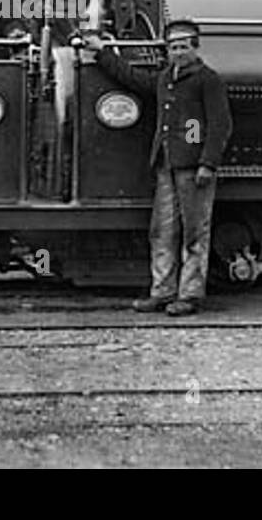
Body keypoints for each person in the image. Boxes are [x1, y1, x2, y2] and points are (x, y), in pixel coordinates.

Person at [82, 19, 233, 316]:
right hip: (167, 165)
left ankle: (190, 295)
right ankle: (162, 292)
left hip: (193, 168)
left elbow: (221, 124)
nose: (178, 52)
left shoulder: (208, 80)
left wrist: (208, 163)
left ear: (194, 47)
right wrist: (102, 52)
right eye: (173, 47)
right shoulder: (166, 78)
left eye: (183, 47)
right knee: (162, 231)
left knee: (194, 232)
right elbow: (132, 78)